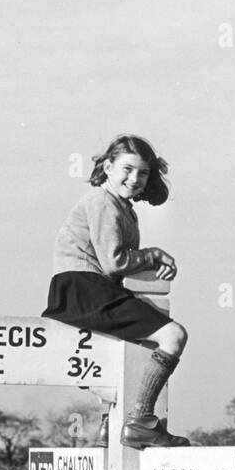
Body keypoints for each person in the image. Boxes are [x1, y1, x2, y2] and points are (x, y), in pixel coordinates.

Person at [42, 133, 190, 448]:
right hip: (82, 287)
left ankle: (110, 428)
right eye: (127, 169)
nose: (134, 178)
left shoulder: (123, 208)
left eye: (143, 172)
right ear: (108, 166)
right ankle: (142, 422)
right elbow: (114, 261)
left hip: (88, 288)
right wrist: (152, 255)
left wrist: (152, 262)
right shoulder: (101, 200)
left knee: (131, 354)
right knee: (172, 336)